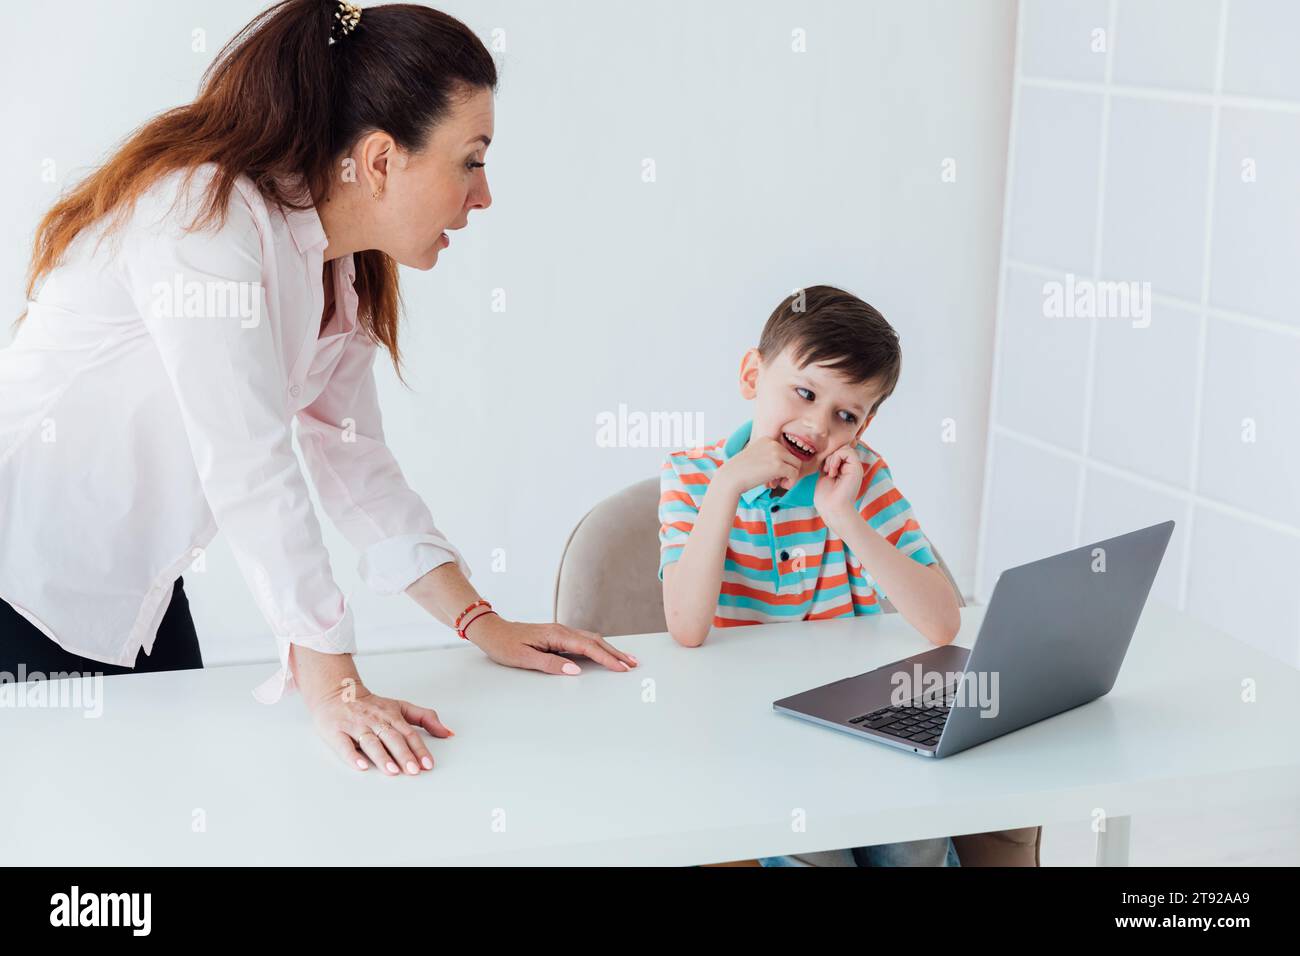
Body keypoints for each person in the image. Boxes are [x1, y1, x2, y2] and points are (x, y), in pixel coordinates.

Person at [0, 0, 636, 779]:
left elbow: (355, 463)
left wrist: (481, 623)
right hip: (21, 579)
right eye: (471, 159)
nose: (484, 194)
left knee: (171, 801)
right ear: (378, 160)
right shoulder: (203, 219)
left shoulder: (340, 268)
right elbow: (248, 459)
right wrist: (333, 681)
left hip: (131, 597)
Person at [657, 285, 961, 866]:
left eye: (844, 414)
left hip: (859, 723)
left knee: (917, 839)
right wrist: (726, 488)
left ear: (863, 427)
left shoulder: (861, 483)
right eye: (804, 393)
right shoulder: (693, 477)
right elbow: (687, 627)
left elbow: (942, 623)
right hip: (750, 734)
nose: (818, 426)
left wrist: (843, 515)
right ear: (753, 376)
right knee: (810, 850)